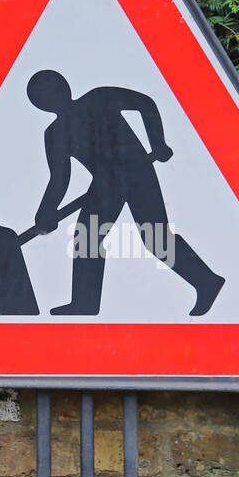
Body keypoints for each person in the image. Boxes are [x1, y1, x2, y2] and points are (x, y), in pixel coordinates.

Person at [27, 69, 224, 316]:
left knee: (155, 236)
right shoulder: (54, 134)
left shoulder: (98, 98)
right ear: (40, 105)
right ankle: (85, 303)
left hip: (135, 169)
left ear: (65, 86)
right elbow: (60, 177)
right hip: (105, 183)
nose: (53, 97)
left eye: (53, 89)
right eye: (44, 96)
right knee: (87, 237)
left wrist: (158, 143)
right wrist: (45, 211)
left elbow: (145, 103)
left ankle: (207, 281)